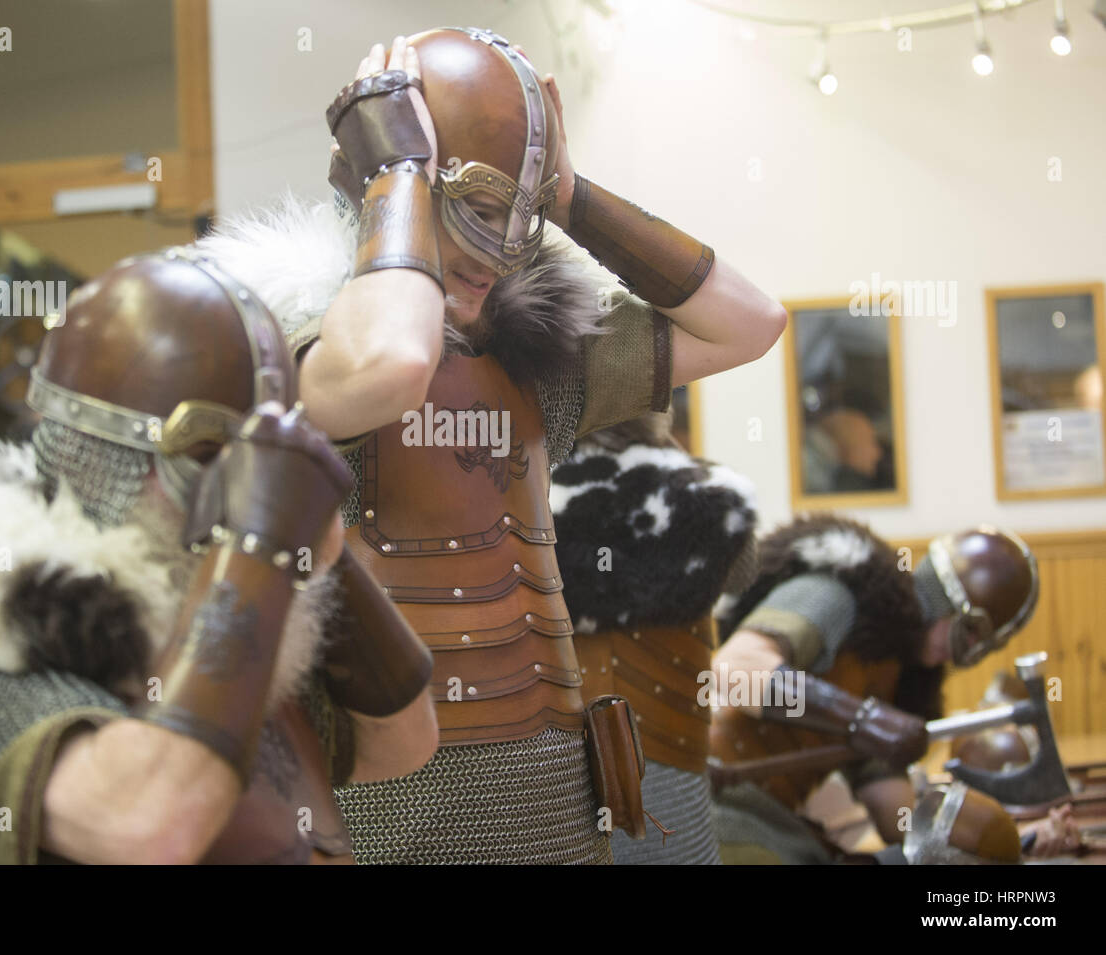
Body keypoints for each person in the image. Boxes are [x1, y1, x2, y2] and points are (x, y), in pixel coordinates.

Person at [197, 27, 784, 863]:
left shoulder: (530, 356)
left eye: (525, 214)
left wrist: (574, 197)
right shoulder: (302, 333)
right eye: (478, 210)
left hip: (551, 794)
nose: (504, 249)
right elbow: (396, 362)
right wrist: (396, 170)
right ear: (385, 178)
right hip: (394, 801)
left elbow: (752, 324)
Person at [0, 242, 438, 865]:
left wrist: (308, 536)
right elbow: (145, 828)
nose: (242, 487)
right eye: (213, 458)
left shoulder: (214, 597)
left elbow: (403, 741)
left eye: (261, 462)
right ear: (98, 458)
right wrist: (261, 539)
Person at [708, 515, 1039, 864]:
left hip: (769, 817)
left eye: (978, 645)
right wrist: (863, 720)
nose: (962, 649)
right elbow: (735, 669)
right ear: (944, 595)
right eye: (967, 631)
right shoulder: (839, 593)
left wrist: (997, 835)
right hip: (704, 799)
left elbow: (890, 807)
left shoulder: (894, 677)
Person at [550, 410, 758, 864]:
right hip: (669, 767)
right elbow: (742, 576)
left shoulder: (513, 498)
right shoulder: (710, 497)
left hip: (543, 774)